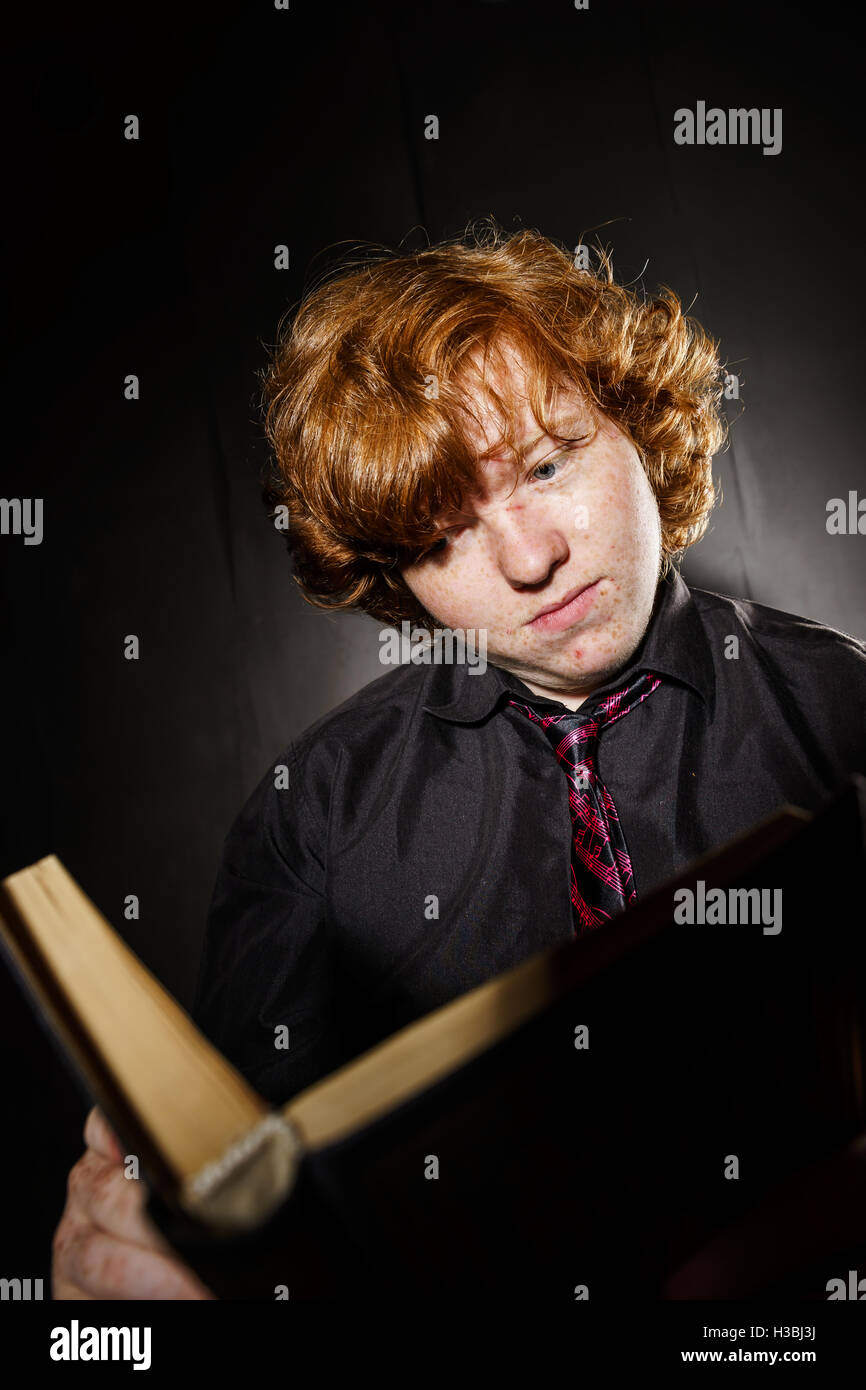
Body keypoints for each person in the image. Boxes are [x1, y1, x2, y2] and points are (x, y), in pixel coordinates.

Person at [51, 224, 866, 1299]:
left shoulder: (841, 708)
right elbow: (251, 1201)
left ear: (636, 421)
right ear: (394, 575)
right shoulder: (313, 817)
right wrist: (150, 1282)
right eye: (439, 539)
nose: (530, 560)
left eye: (545, 463)